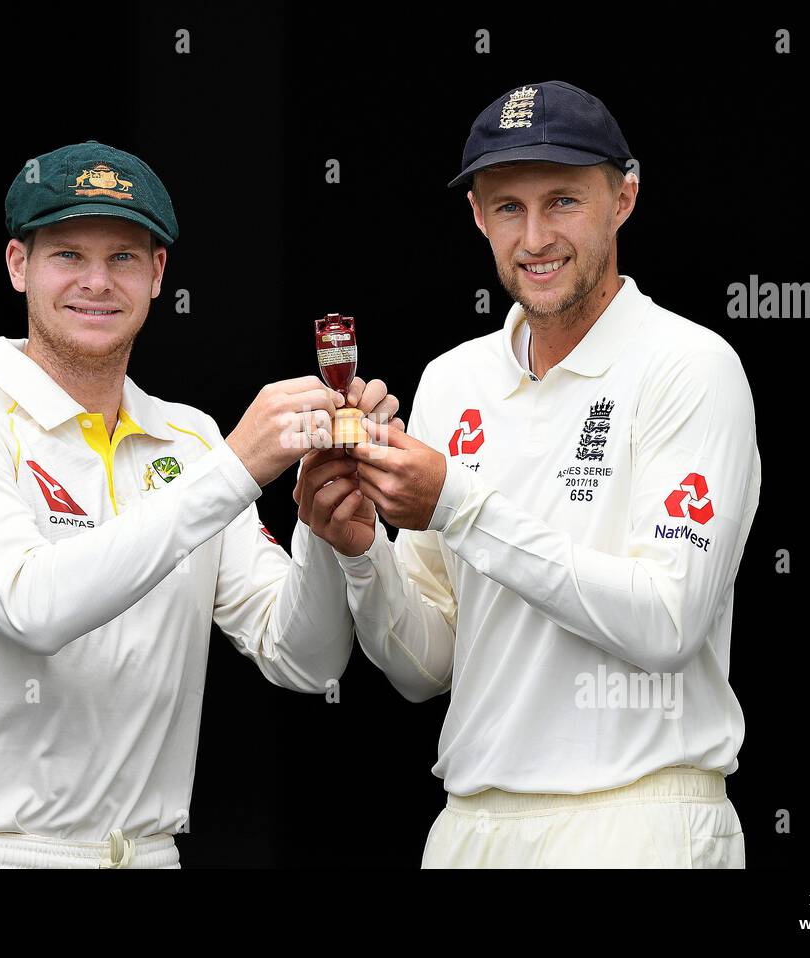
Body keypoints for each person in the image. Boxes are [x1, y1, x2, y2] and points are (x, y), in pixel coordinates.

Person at [0, 140, 401, 869]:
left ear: (157, 275)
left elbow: (305, 661)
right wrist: (238, 469)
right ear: (17, 265)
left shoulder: (192, 440)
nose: (97, 282)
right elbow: (35, 609)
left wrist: (323, 525)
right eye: (67, 255)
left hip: (148, 854)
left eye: (123, 256)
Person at [301, 81, 761, 867]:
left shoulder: (692, 365)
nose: (535, 236)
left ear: (625, 196)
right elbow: (427, 667)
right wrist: (361, 554)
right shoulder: (452, 379)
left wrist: (459, 504)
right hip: (470, 823)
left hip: (637, 818)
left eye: (563, 201)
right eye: (508, 207)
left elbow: (666, 622)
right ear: (477, 216)